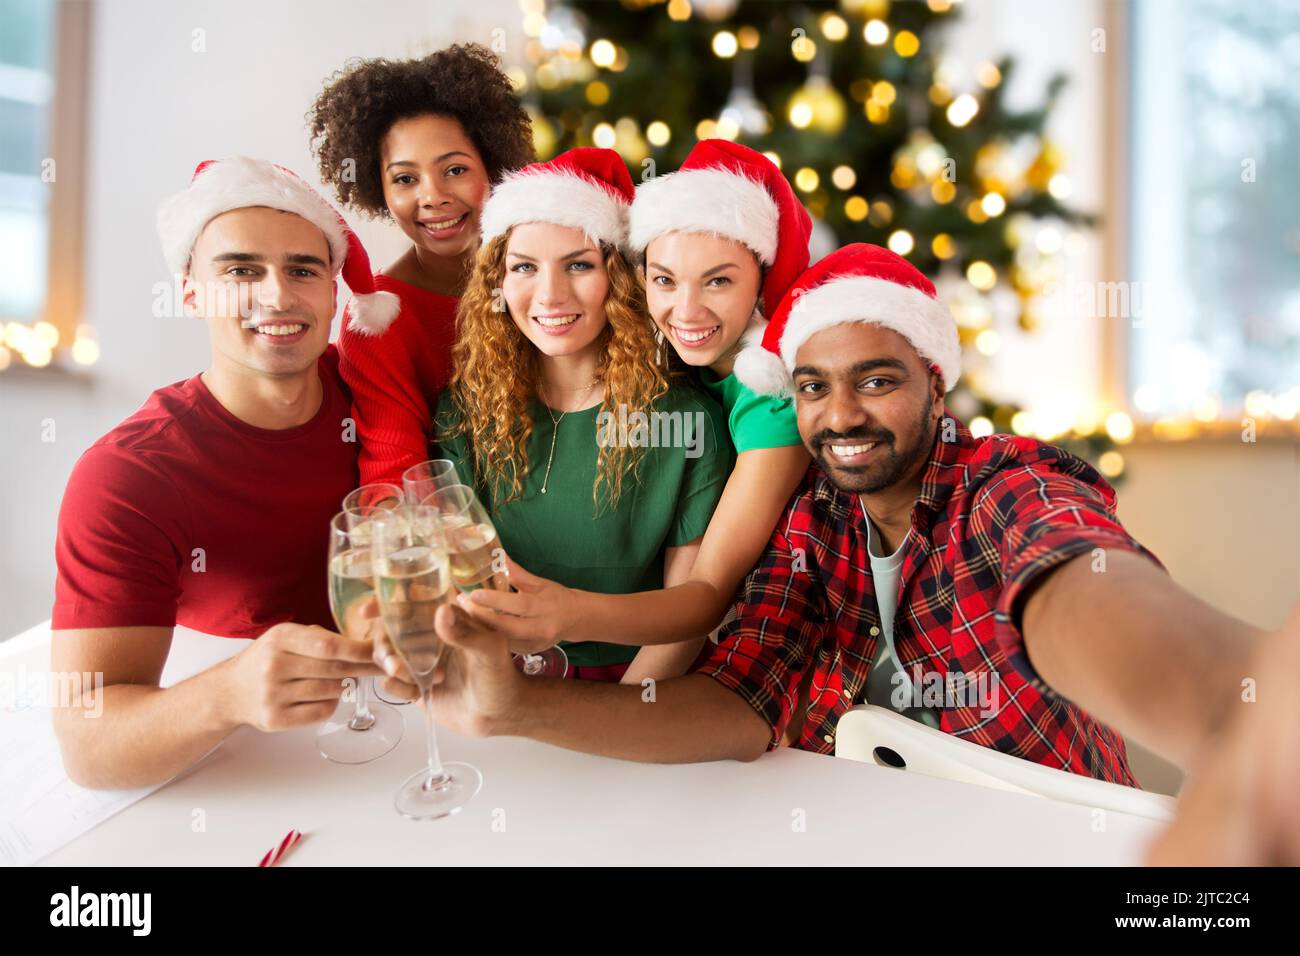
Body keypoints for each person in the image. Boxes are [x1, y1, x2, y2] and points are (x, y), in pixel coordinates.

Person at [376, 243, 1285, 801]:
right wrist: (519, 709)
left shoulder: (1005, 486)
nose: (841, 414)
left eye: (877, 380)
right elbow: (736, 703)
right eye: (814, 386)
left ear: (936, 381)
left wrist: (1241, 712)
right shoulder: (814, 523)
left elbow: (1080, 581)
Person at [50, 157, 388, 789]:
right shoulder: (127, 477)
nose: (279, 296)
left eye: (303, 269)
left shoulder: (382, 392)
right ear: (190, 291)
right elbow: (87, 744)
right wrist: (230, 693)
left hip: (411, 730)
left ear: (333, 289)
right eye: (240, 271)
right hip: (252, 768)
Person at [464, 141, 817, 679]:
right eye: (666, 280)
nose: (688, 309)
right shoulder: (689, 364)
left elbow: (706, 594)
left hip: (790, 651)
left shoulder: (770, 401)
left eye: (719, 280)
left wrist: (578, 629)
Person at [435, 147, 733, 683]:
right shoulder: (466, 407)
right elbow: (464, 580)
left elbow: (690, 613)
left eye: (578, 265)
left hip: (635, 685)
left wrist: (620, 715)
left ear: (618, 281)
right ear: (498, 285)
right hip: (497, 674)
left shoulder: (687, 422)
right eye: (524, 267)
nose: (549, 295)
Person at [309, 44, 535, 485]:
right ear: (380, 190)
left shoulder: (552, 273)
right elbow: (394, 471)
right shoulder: (377, 322)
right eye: (406, 179)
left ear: (491, 164)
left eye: (454, 170)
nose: (432, 196)